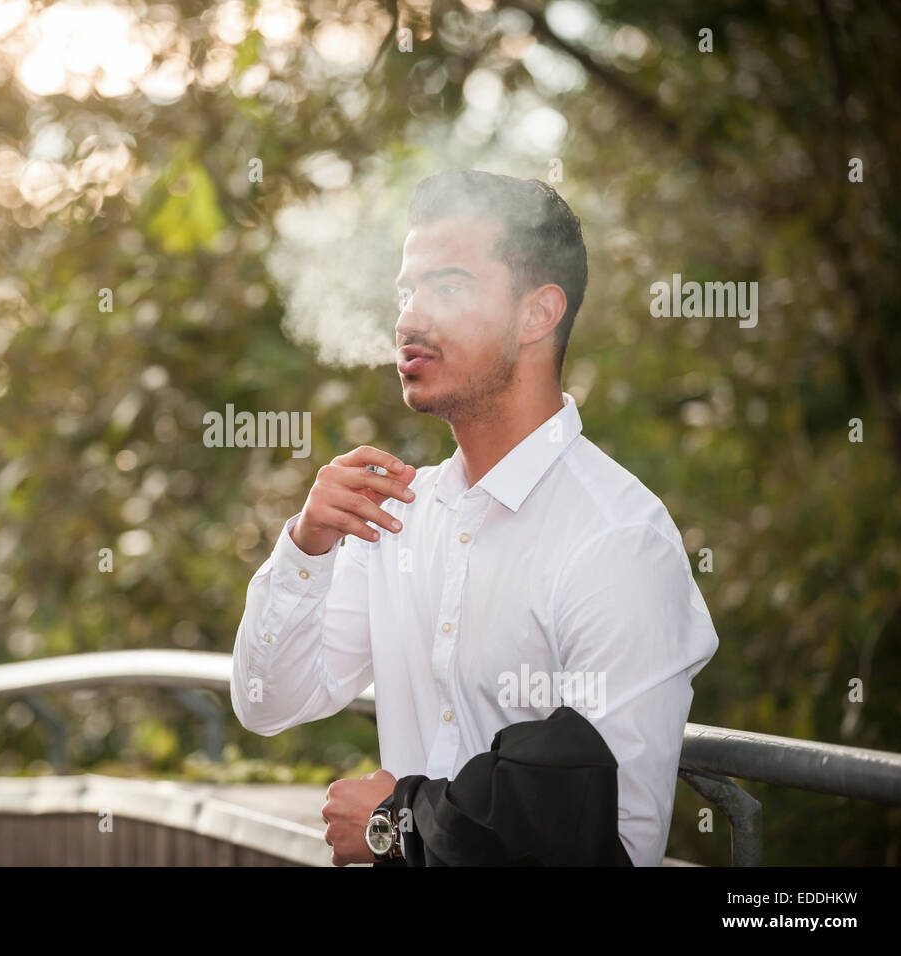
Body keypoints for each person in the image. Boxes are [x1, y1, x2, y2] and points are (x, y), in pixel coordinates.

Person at [230, 169, 720, 866]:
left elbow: (617, 840)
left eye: (448, 286)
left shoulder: (619, 542)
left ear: (537, 315)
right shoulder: (395, 518)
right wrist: (308, 547)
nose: (408, 318)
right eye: (407, 290)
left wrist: (398, 827)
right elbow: (266, 701)